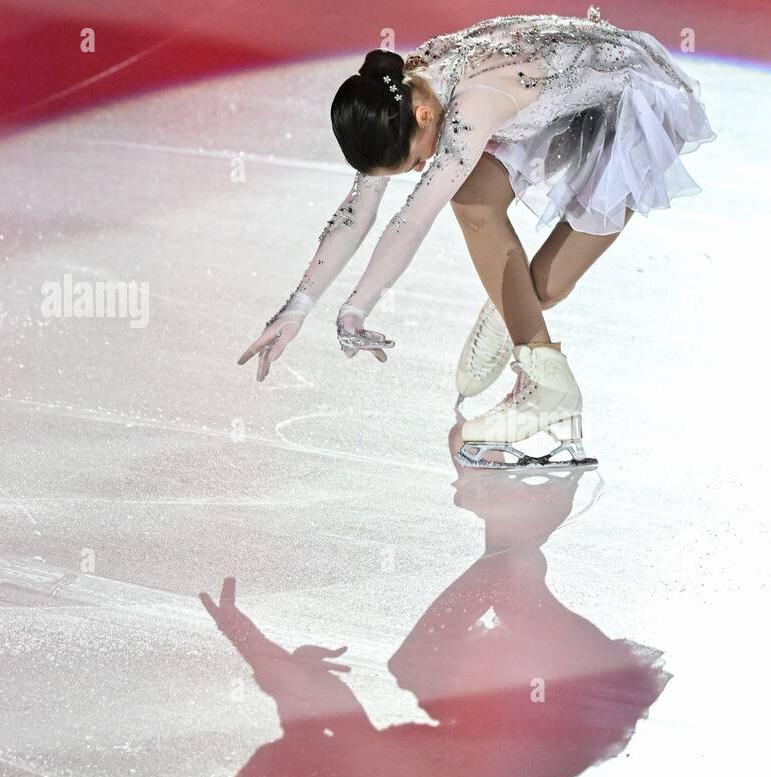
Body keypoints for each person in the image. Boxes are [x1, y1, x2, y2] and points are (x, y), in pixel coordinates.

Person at [237, 8, 716, 469]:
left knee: (544, 285)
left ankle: (542, 376)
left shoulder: (469, 108)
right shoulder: (402, 94)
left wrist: (355, 308)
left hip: (630, 95)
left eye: (412, 162)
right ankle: (528, 339)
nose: (419, 168)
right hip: (549, 95)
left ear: (425, 116)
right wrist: (299, 306)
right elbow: (358, 210)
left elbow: (413, 218)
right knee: (473, 203)